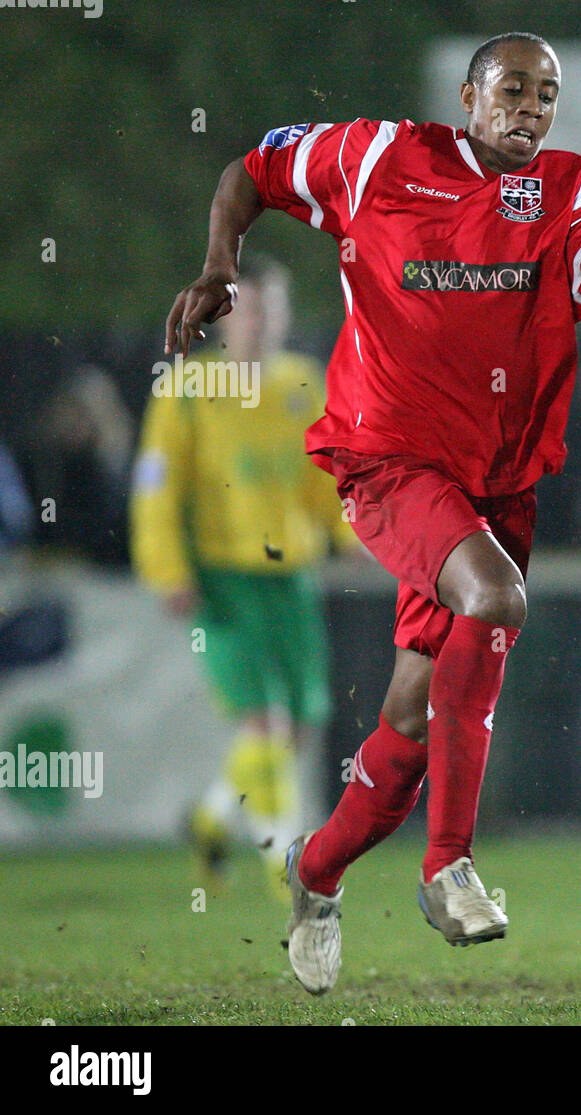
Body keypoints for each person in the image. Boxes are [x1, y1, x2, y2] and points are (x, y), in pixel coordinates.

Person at [165, 32, 581, 995]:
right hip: (386, 458)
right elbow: (248, 171)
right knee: (496, 598)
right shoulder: (375, 156)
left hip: (497, 483)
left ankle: (315, 870)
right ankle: (447, 865)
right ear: (467, 95)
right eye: (510, 89)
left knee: (409, 728)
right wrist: (221, 264)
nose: (528, 109)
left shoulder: (579, 193)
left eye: (546, 94)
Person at [133, 254, 353, 896]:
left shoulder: (303, 382)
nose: (264, 320)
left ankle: (210, 818)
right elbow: (155, 490)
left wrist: (351, 533)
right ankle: (287, 863)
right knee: (265, 722)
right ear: (227, 316)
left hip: (292, 576)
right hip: (220, 578)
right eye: (252, 308)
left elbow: (327, 479)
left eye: (274, 307)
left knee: (305, 723)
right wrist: (167, 569)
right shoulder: (185, 390)